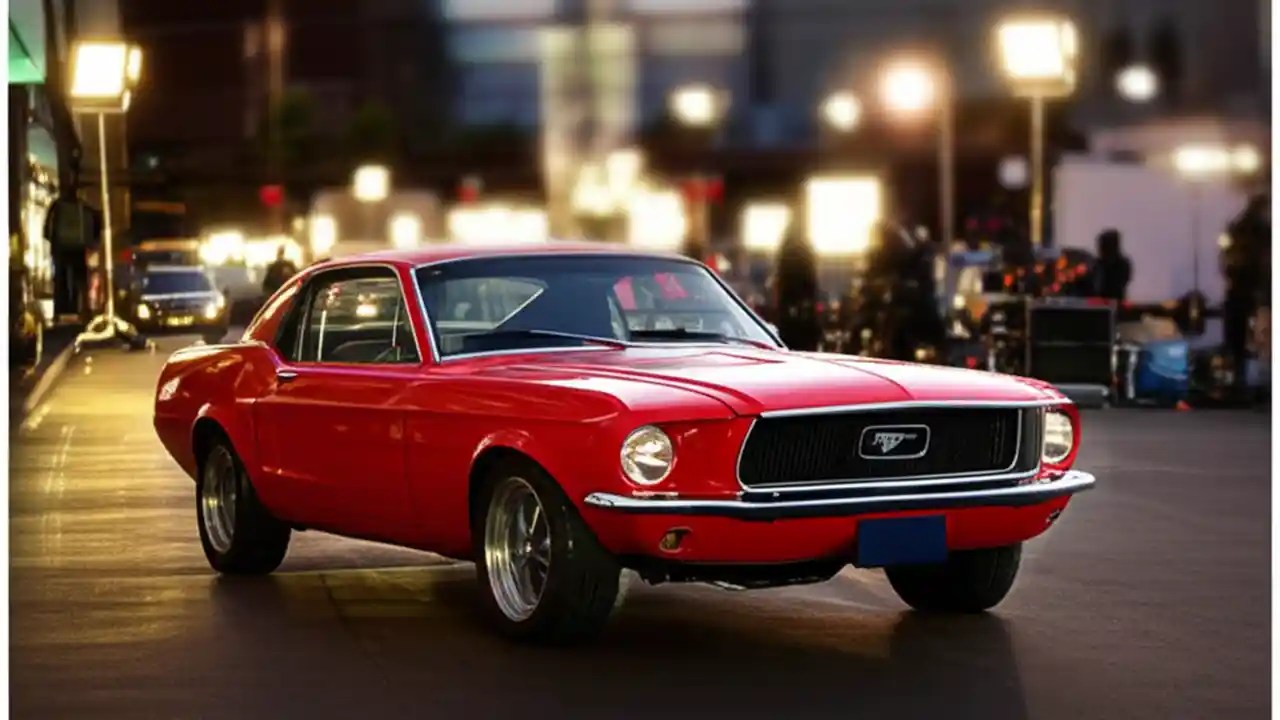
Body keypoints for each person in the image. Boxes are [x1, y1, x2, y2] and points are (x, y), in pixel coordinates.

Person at [1221, 194, 1270, 390]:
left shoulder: (1238, 228)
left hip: (1239, 290)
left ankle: (1240, 377)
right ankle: (1249, 379)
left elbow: (1227, 259)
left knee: (1237, 337)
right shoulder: (1260, 230)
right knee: (1253, 336)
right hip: (1253, 290)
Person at [772, 225, 821, 351]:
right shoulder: (806, 250)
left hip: (789, 309)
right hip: (804, 308)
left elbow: (780, 281)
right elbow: (812, 282)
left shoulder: (786, 251)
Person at [1093, 229, 1132, 302]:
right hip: (1098, 304)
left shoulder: (1122, 264)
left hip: (1116, 302)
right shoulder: (1097, 264)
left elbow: (1120, 284)